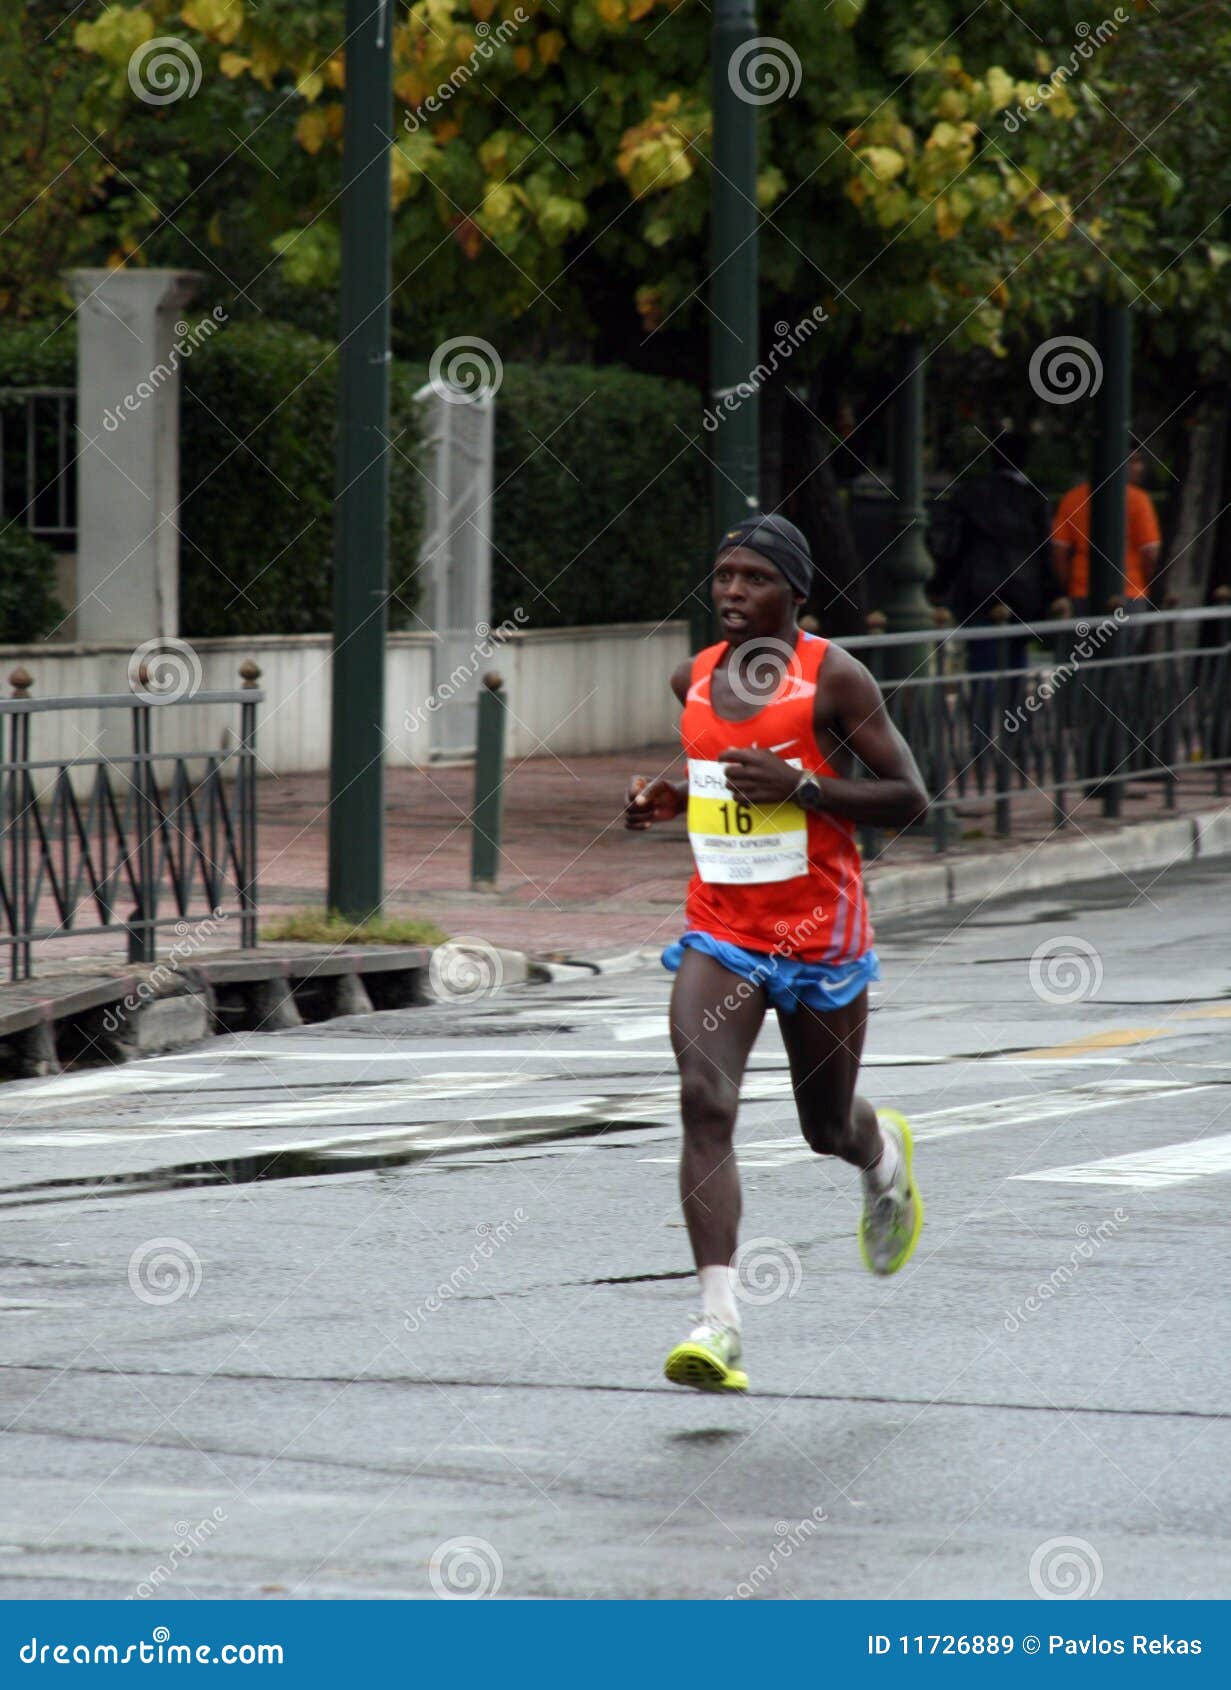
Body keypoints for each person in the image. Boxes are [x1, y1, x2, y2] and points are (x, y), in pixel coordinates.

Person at [625, 514, 930, 1393]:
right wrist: (665, 797)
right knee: (701, 1098)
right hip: (721, 930)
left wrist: (804, 786)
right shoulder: (692, 678)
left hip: (822, 937)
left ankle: (883, 1164)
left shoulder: (833, 676)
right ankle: (717, 1325)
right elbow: (717, 781)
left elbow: (908, 796)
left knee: (823, 1127)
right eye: (722, 575)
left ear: (796, 593)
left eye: (753, 577)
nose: (730, 591)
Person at [1051, 449, 1162, 616]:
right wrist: (1149, 585)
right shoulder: (1139, 500)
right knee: (1123, 641)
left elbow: (1059, 551)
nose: (1139, 468)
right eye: (1132, 461)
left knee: (1083, 642)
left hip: (1081, 592)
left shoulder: (1072, 499)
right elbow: (1150, 553)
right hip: (1130, 592)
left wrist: (1068, 585)